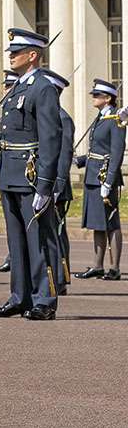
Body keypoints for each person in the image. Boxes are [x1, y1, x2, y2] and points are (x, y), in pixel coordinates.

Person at [0, 28, 62, 320]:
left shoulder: (42, 88)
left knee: (39, 241)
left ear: (32, 56)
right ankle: (21, 296)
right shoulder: (19, 87)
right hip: (9, 173)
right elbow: (11, 137)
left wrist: (45, 186)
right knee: (16, 241)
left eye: (16, 52)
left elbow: (50, 138)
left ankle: (44, 299)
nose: (12, 56)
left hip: (31, 177)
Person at [74, 79, 125, 281]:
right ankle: (97, 265)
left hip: (104, 177)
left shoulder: (116, 120)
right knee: (97, 222)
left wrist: (108, 182)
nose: (93, 98)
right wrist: (79, 160)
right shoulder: (101, 118)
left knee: (111, 222)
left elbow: (116, 153)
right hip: (93, 174)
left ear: (107, 98)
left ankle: (115, 268)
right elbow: (98, 151)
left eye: (97, 95)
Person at [42, 69, 74, 294]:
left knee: (57, 233)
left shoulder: (62, 118)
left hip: (57, 187)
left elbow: (64, 156)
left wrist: (58, 186)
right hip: (47, 185)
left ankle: (61, 278)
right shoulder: (50, 117)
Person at [0, 70, 19, 273]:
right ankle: (13, 256)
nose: (6, 90)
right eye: (6, 86)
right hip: (7, 171)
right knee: (12, 224)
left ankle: (59, 274)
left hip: (23, 173)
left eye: (9, 86)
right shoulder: (9, 111)